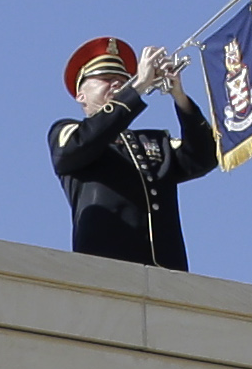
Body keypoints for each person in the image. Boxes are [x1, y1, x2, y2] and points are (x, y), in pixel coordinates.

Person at [52, 40, 218, 271]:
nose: (117, 84)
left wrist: (179, 96)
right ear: (81, 95)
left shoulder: (154, 142)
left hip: (166, 272)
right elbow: (78, 146)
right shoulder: (67, 131)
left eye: (122, 80)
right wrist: (137, 86)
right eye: (106, 79)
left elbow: (204, 157)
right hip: (104, 268)